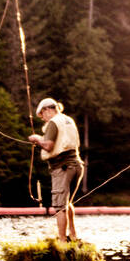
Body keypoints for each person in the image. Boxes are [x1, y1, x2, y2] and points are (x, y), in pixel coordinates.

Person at [28, 97, 83, 242]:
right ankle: (73, 236)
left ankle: (62, 241)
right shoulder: (68, 120)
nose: (43, 119)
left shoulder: (53, 122)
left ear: (47, 109)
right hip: (77, 165)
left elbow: (48, 146)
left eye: (42, 115)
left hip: (63, 168)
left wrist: (36, 139)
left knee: (59, 206)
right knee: (67, 202)